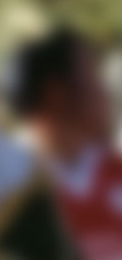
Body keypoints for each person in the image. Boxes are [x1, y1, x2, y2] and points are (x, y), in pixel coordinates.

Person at [11, 31, 121, 259]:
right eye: (92, 79)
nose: (105, 94)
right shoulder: (15, 198)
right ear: (56, 94)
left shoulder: (111, 168)